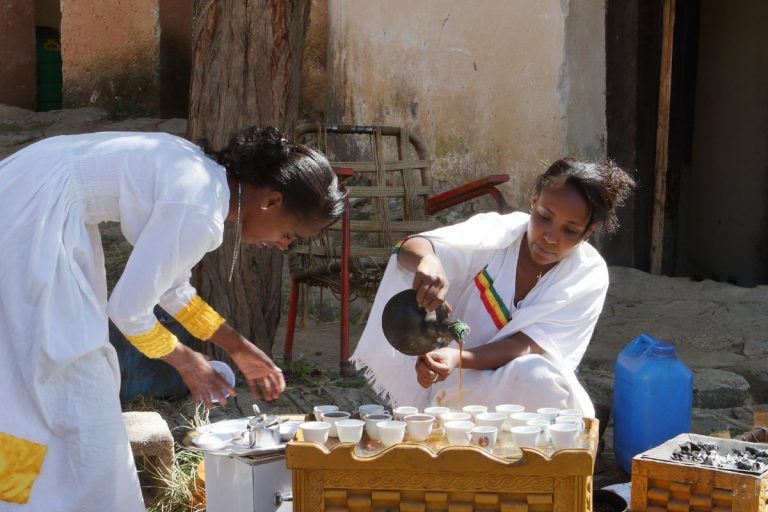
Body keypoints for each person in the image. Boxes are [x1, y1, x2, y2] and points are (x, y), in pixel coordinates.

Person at [0, 127, 344, 510]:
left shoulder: (204, 181)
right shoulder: (200, 209)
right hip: (30, 217)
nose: (282, 245)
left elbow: (172, 290)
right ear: (272, 201)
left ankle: (24, 497)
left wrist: (238, 347)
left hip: (34, 198)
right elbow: (127, 310)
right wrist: (186, 362)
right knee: (65, 378)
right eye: (290, 234)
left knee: (34, 385)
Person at [351, 158, 635, 417]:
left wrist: (457, 356)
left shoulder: (587, 274)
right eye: (544, 217)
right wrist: (428, 259)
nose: (550, 237)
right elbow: (412, 247)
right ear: (533, 201)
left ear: (588, 232)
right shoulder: (496, 234)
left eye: (570, 230)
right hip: (457, 380)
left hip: (512, 382)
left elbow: (527, 345)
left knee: (539, 379)